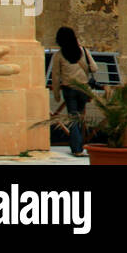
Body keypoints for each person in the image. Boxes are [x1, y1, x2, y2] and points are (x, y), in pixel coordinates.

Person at [49, 27, 97, 157]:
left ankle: (76, 147)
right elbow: (94, 68)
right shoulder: (84, 51)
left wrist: (56, 94)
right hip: (83, 89)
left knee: (73, 117)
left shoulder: (59, 55)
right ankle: (79, 144)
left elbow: (55, 76)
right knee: (80, 117)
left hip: (69, 89)